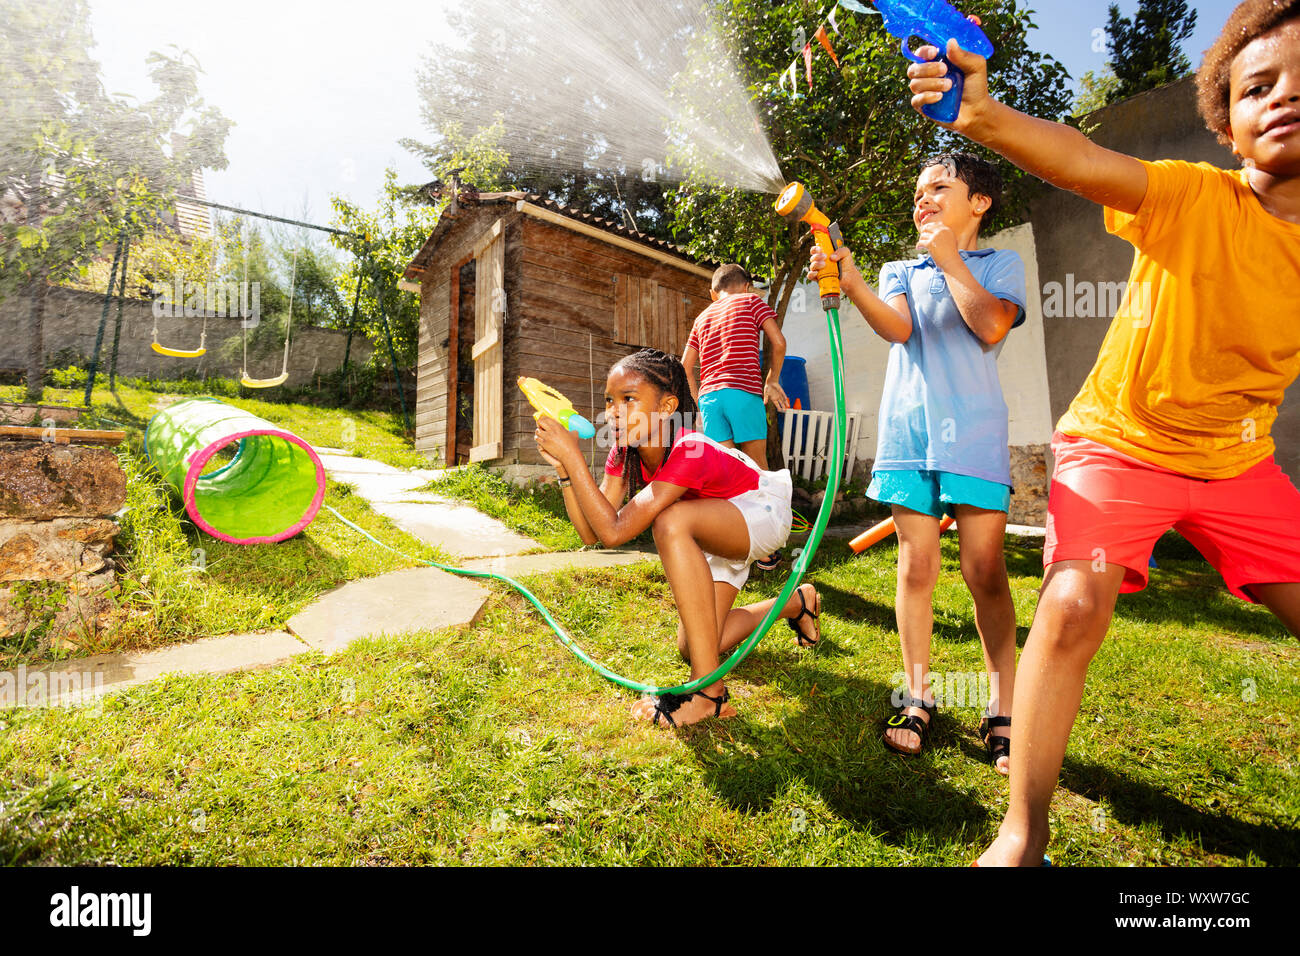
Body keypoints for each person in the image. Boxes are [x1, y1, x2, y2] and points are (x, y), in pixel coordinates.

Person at [905, 0, 1300, 864]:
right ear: (1226, 126)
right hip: (1120, 444)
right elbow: (1084, 159)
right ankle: (1022, 830)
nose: (1284, 98)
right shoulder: (1198, 197)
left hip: (1238, 464)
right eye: (1259, 86)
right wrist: (983, 115)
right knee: (1075, 601)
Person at [809, 152, 1026, 774]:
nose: (923, 198)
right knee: (916, 565)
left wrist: (951, 258)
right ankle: (917, 692)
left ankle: (1002, 703)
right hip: (911, 435)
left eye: (940, 188)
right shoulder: (900, 267)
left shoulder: (997, 264)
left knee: (984, 569)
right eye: (918, 191)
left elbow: (990, 326)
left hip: (975, 436)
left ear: (978, 203)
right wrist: (852, 282)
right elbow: (898, 330)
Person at [534, 347, 820, 729]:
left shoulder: (689, 447)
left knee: (669, 521)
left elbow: (616, 530)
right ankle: (797, 602)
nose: (612, 411)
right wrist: (566, 472)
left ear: (668, 406)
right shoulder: (625, 452)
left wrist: (574, 457)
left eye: (628, 399)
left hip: (757, 511)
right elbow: (595, 533)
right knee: (697, 646)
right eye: (609, 400)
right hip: (707, 526)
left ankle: (709, 695)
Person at [681, 264, 790, 571]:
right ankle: (767, 549)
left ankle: (732, 545)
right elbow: (778, 342)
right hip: (743, 392)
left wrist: (699, 400)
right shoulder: (752, 301)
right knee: (758, 471)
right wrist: (771, 380)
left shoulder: (703, 316)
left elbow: (686, 365)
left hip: (711, 398)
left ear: (713, 292)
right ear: (746, 287)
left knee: (727, 475)